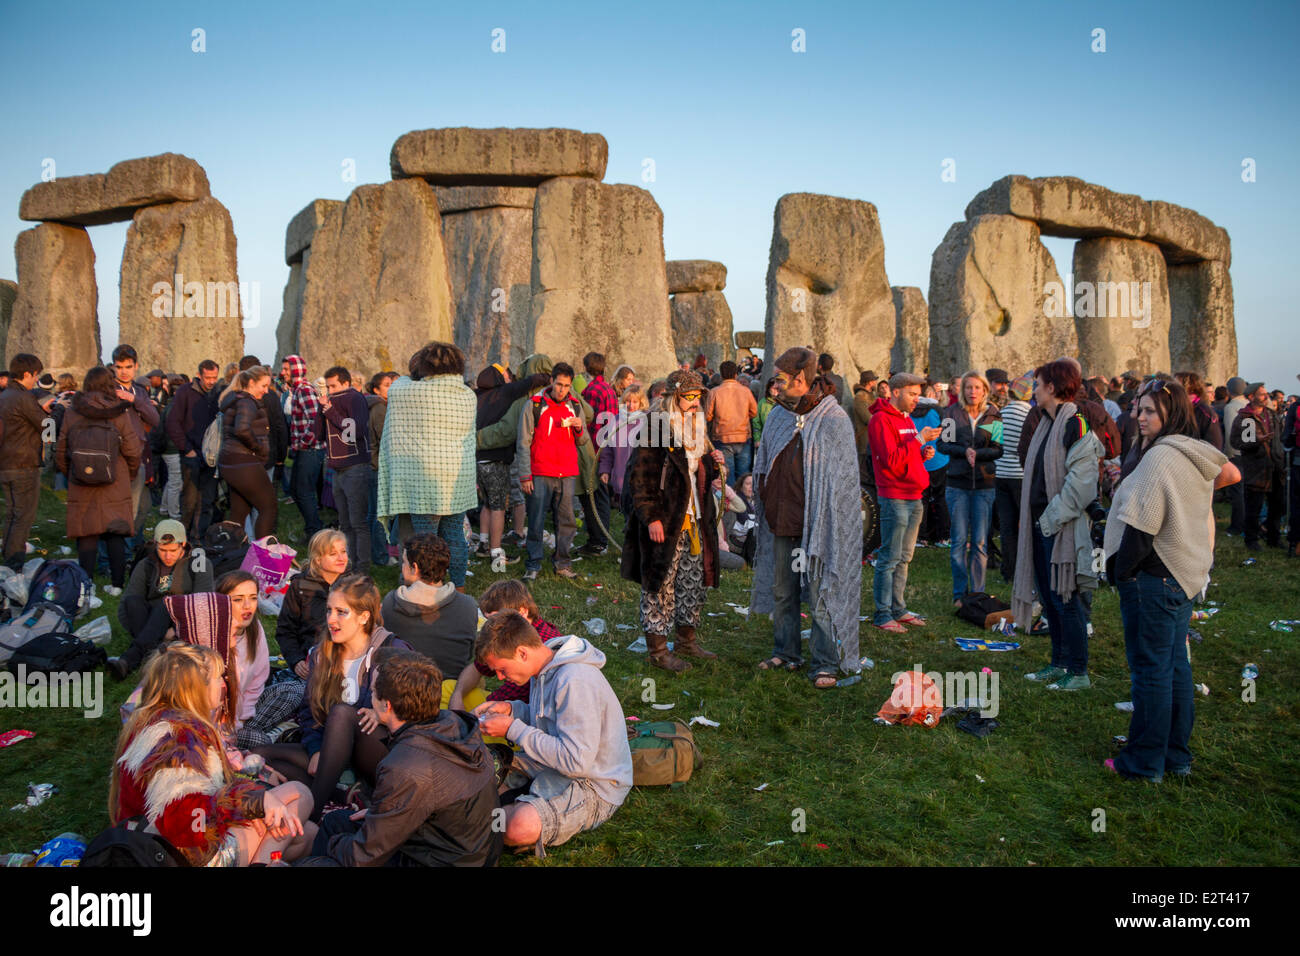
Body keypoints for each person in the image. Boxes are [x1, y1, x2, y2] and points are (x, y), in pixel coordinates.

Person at [1103, 381, 1237, 780]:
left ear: (1171, 413)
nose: (1139, 418)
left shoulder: (1162, 457)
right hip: (1180, 576)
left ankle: (1143, 763)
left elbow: (1142, 529)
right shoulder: (1189, 451)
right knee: (1175, 667)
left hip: (1155, 579)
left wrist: (1118, 570)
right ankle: (1175, 756)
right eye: (1138, 409)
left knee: (1151, 672)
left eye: (1149, 411)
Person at [110, 642, 315, 866]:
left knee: (306, 833)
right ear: (197, 687)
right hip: (180, 853)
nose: (223, 684)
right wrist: (253, 803)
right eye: (218, 677)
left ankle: (263, 857)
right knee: (299, 793)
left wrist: (252, 805)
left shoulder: (155, 720)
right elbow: (181, 818)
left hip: (154, 841)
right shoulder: (177, 737)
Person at [308, 651, 502, 866]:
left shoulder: (405, 765)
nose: (370, 698)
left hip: (444, 859)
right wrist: (382, 815)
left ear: (387, 705)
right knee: (337, 821)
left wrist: (334, 846)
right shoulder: (455, 724)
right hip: (476, 849)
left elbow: (363, 856)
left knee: (328, 848)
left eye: (372, 693)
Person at [473, 612, 632, 852]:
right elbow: (548, 719)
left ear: (522, 653)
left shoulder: (573, 681)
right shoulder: (543, 667)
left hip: (593, 784)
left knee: (516, 827)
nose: (499, 677)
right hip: (553, 764)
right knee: (479, 771)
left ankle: (516, 807)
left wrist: (513, 729)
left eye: (502, 669)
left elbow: (576, 762)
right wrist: (512, 710)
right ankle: (515, 803)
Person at [257, 574, 412, 822]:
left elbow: (415, 712)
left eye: (342, 612)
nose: (331, 619)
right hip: (335, 754)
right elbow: (309, 713)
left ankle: (314, 812)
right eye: (329, 610)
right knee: (260, 756)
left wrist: (383, 713)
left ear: (364, 616)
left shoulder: (392, 650)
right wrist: (317, 748)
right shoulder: (322, 654)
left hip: (379, 753)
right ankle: (346, 795)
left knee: (342, 713)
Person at [751, 348, 862, 687]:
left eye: (781, 380)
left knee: (820, 592)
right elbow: (765, 460)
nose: (775, 386)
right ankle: (786, 651)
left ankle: (825, 661)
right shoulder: (778, 415)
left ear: (800, 379)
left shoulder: (834, 419)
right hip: (783, 521)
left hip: (820, 525)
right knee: (784, 590)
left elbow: (845, 482)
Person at [621, 370, 724, 673]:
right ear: (674, 397)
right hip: (665, 520)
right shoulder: (656, 427)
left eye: (698, 397)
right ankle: (657, 650)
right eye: (689, 397)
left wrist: (713, 464)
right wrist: (651, 516)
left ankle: (686, 640)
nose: (695, 403)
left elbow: (697, 475)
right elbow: (640, 478)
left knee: (692, 581)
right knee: (660, 583)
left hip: (695, 518)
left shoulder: (698, 428)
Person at [1012, 359, 1104, 691]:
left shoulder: (1075, 424)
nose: (1033, 391)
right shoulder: (1045, 423)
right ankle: (1059, 663)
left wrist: (1049, 520)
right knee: (1051, 599)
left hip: (1061, 527)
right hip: (1039, 524)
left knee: (1067, 598)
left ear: (1052, 387)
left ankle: (1078, 671)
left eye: (1037, 385)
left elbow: (1081, 484)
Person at [377, 342, 478, 588]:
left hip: (424, 482)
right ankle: (459, 588)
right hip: (457, 481)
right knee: (455, 538)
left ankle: (428, 591)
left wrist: (415, 371)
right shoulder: (468, 395)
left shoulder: (408, 391)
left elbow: (399, 381)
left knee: (425, 542)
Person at [55, 366, 144, 594]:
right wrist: (130, 473)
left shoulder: (73, 411)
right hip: (115, 478)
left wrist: (71, 474)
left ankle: (87, 585)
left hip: (80, 479)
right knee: (114, 532)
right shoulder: (118, 411)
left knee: (87, 533)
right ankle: (116, 585)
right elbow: (133, 450)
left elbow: (62, 449)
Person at [868, 372, 940, 633]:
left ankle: (898, 608)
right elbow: (891, 461)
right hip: (894, 496)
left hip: (914, 495)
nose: (916, 399)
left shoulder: (906, 419)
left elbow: (906, 456)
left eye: (918, 394)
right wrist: (919, 440)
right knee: (889, 557)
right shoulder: (880, 420)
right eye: (912, 394)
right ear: (895, 392)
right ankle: (883, 613)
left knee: (905, 557)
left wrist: (923, 454)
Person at [106, 520, 215, 679]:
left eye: (172, 550)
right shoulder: (147, 563)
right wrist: (145, 630)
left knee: (167, 603)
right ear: (156, 544)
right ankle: (154, 653)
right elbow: (127, 602)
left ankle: (129, 660)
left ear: (183, 544)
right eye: (162, 550)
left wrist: (178, 631)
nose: (167, 556)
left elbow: (202, 606)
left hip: (181, 620)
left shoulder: (199, 564)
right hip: (149, 621)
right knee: (133, 602)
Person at [516, 361, 589, 582]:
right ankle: (533, 563)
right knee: (536, 519)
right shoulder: (534, 404)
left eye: (566, 386)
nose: (562, 390)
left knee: (566, 520)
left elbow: (584, 439)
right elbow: (523, 442)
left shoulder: (575, 406)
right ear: (551, 381)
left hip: (567, 472)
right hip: (540, 472)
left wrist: (578, 427)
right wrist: (525, 475)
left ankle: (563, 562)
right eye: (559, 384)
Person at [447, 578, 561, 713]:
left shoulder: (537, 646)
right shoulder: (504, 637)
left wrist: (470, 720)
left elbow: (506, 697)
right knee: (448, 688)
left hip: (521, 717)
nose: (490, 627)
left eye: (497, 619)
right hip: (511, 708)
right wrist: (458, 695)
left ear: (522, 612)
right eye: (488, 621)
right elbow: (477, 667)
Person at [937, 372, 1002, 604]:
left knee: (980, 543)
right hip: (958, 484)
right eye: (968, 387)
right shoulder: (952, 414)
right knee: (958, 542)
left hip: (984, 485)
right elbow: (943, 444)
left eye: (977, 387)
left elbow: (998, 448)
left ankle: (978, 593)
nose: (972, 392)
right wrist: (964, 451)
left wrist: (979, 454)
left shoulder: (994, 415)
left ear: (984, 390)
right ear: (962, 390)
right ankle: (959, 594)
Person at [474, 362, 548, 564]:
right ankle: (497, 554)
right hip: (496, 460)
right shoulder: (503, 394)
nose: (509, 376)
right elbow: (530, 382)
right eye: (506, 374)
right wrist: (547, 377)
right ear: (498, 378)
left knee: (487, 504)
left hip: (478, 459)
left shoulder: (478, 396)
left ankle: (483, 543)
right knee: (498, 506)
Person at [381, 533, 479, 679]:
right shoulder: (468, 606)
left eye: (404, 562)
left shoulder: (391, 603)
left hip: (405, 689)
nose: (403, 567)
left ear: (414, 568)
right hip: (451, 690)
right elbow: (469, 654)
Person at [0, 353, 56, 570]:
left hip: (6, 463)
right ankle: (14, 562)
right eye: (35, 376)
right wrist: (53, 413)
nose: (36, 380)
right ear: (26, 374)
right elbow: (48, 431)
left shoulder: (5, 395)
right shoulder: (23, 398)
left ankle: (7, 555)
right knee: (23, 515)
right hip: (23, 464)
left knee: (12, 513)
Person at [315, 366, 373, 572]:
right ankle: (347, 565)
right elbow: (319, 434)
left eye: (333, 386)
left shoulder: (354, 399)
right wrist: (320, 410)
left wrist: (330, 411)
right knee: (345, 523)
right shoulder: (330, 401)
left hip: (355, 466)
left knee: (358, 523)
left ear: (346, 383)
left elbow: (353, 432)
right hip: (337, 469)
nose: (330, 390)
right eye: (327, 386)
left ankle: (362, 569)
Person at [277, 528, 351, 681]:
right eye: (333, 554)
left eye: (343, 552)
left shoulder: (354, 586)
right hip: (310, 664)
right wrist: (296, 661)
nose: (341, 558)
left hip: (348, 664)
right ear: (318, 559)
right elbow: (286, 630)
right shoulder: (300, 586)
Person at [217, 366, 278, 540]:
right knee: (268, 507)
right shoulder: (246, 401)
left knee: (238, 513)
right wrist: (258, 448)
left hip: (230, 461)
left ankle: (231, 554)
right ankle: (262, 557)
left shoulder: (234, 399)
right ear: (251, 382)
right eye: (263, 386)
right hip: (243, 460)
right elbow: (242, 429)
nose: (266, 391)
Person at [110, 344, 161, 543]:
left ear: (136, 366)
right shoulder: (109, 390)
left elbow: (155, 419)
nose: (123, 372)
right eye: (119, 367)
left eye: (128, 367)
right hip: (117, 454)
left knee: (141, 507)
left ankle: (129, 546)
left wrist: (134, 400)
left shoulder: (139, 391)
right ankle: (117, 552)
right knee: (122, 507)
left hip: (139, 453)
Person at [166, 359, 221, 539]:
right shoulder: (185, 392)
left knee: (207, 500)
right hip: (191, 453)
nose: (211, 381)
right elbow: (173, 422)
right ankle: (183, 537)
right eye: (208, 377)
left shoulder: (217, 393)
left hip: (211, 455)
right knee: (189, 501)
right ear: (199, 375)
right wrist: (186, 448)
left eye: (214, 377)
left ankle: (200, 537)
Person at [1232, 381, 1283, 551]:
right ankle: (1251, 540)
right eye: (1262, 394)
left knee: (1277, 505)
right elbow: (1241, 443)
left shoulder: (1272, 415)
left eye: (1266, 393)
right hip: (1257, 467)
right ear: (1251, 396)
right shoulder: (1246, 417)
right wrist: (1258, 441)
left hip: (1275, 465)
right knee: (1254, 507)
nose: (1266, 396)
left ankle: (1273, 538)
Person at [578, 352, 618, 556]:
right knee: (600, 496)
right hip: (607, 446)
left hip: (595, 449)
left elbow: (589, 422)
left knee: (594, 496)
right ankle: (599, 538)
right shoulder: (609, 390)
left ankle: (598, 541)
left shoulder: (591, 390)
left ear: (587, 367)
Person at [994, 371, 1033, 581]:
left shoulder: (1001, 413)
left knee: (1007, 526)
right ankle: (1025, 570)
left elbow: (995, 442)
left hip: (1001, 472)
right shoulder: (1030, 415)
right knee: (1025, 524)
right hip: (1020, 474)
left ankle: (1008, 570)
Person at [283, 354, 327, 539]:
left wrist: (303, 443)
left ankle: (315, 533)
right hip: (304, 449)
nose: (283, 372)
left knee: (304, 492)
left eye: (286, 369)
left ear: (295, 370)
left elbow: (316, 419)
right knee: (296, 490)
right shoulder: (298, 389)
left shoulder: (305, 390)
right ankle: (314, 529)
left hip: (311, 450)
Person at [704, 360, 758, 488]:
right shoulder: (745, 391)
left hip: (722, 436)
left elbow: (708, 416)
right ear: (736, 374)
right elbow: (754, 412)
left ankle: (729, 504)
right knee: (744, 475)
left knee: (727, 475)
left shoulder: (715, 392)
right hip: (743, 436)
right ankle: (745, 503)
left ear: (721, 375)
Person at [366, 371, 400, 568]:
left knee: (373, 513)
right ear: (377, 389)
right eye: (386, 384)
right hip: (378, 466)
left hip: (372, 465)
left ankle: (375, 553)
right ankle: (380, 556)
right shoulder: (379, 408)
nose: (391, 387)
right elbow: (385, 439)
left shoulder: (373, 405)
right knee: (380, 515)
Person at [912, 384, 949, 548]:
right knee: (941, 498)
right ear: (932, 394)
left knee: (922, 500)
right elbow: (949, 435)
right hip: (939, 458)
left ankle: (922, 536)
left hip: (918, 458)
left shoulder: (910, 410)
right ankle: (943, 536)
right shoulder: (939, 410)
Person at [597, 384, 648, 501]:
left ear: (641, 402)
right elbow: (607, 449)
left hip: (642, 478)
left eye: (635, 401)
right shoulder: (615, 421)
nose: (630, 405)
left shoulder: (647, 421)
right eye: (628, 401)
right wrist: (605, 470)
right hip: (621, 476)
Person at [1221, 376, 1249, 534]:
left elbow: (1231, 432)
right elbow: (1249, 434)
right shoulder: (1247, 404)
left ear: (1229, 390)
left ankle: (1237, 525)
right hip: (1248, 451)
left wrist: (1228, 454)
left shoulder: (1231, 407)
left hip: (1236, 453)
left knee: (1237, 492)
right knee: (1245, 490)